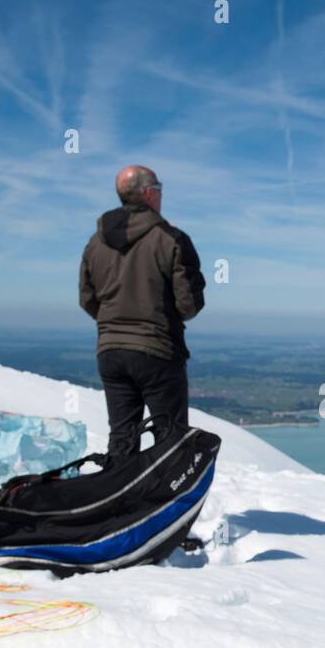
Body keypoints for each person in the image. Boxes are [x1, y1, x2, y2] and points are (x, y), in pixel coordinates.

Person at [79, 165, 206, 456]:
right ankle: (168, 500)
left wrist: (114, 322)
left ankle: (120, 498)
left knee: (122, 436)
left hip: (109, 351)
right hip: (157, 350)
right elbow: (189, 304)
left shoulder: (95, 242)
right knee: (170, 438)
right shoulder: (171, 238)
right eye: (159, 189)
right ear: (149, 193)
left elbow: (87, 298)